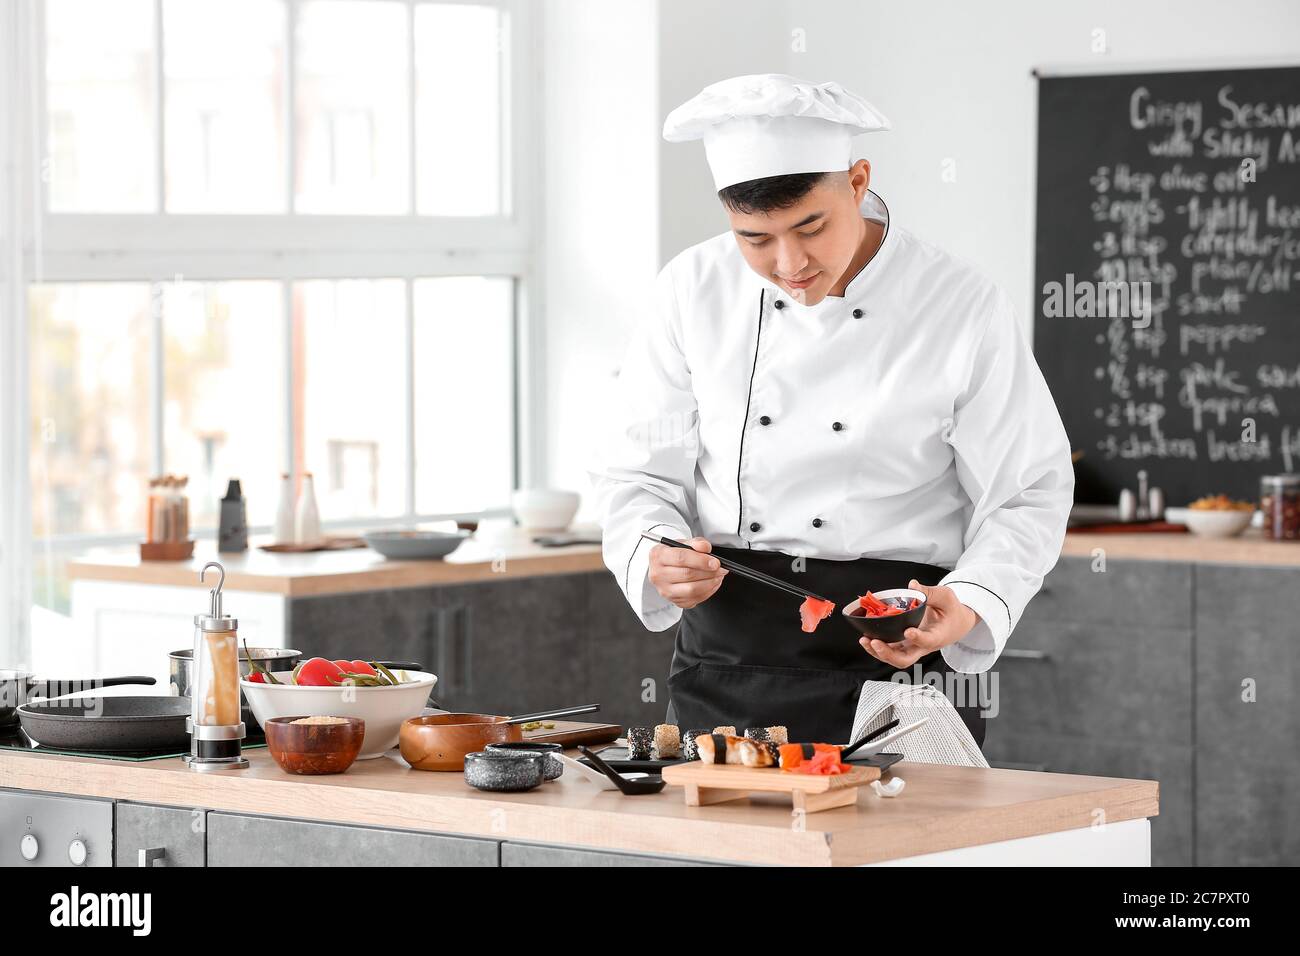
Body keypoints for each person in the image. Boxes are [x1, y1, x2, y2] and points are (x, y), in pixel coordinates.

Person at [591, 74, 1074, 744]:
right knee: (723, 848)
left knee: (902, 846)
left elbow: (1029, 491)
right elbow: (635, 475)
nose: (789, 263)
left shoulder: (958, 302)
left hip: (900, 644)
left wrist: (968, 605)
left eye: (810, 226)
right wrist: (655, 552)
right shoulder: (689, 291)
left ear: (857, 181)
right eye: (755, 238)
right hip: (728, 655)